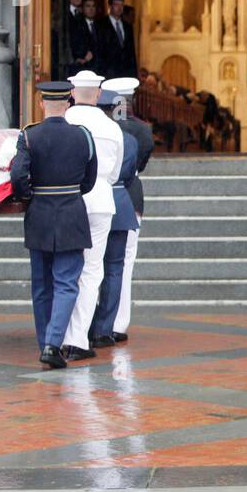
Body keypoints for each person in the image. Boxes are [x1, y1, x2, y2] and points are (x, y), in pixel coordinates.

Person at [10, 81, 98, 368]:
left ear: (41, 104)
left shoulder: (29, 136)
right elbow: (90, 178)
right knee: (66, 283)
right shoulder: (82, 136)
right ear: (69, 103)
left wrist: (29, 198)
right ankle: (52, 344)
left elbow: (18, 177)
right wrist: (71, 192)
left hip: (40, 214)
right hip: (71, 210)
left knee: (41, 284)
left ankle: (45, 342)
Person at [62, 69, 124, 359]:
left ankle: (57, 335)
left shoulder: (64, 120)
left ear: (72, 93)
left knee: (63, 269)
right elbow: (113, 172)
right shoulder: (112, 127)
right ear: (98, 94)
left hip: (67, 199)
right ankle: (77, 339)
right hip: (100, 199)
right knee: (91, 270)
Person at [103, 77, 153, 342]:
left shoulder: (102, 127)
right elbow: (140, 165)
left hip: (99, 195)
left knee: (94, 264)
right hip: (130, 196)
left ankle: (94, 321)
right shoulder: (142, 131)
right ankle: (118, 324)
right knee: (124, 263)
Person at [90, 90, 139, 346]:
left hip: (90, 202)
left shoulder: (85, 133)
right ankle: (103, 329)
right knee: (114, 268)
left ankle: (83, 326)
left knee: (87, 269)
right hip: (119, 203)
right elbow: (129, 175)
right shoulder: (127, 138)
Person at [98, 0, 137, 79]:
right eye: (116, 5)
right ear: (110, 6)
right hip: (109, 72)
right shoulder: (101, 25)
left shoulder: (128, 26)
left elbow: (131, 51)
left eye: (121, 5)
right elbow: (100, 50)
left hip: (125, 73)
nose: (119, 8)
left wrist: (134, 74)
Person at [69, 0, 100, 76]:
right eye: (88, 6)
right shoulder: (77, 25)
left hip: (99, 69)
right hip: (82, 68)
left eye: (93, 6)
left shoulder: (101, 25)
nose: (91, 9)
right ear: (82, 9)